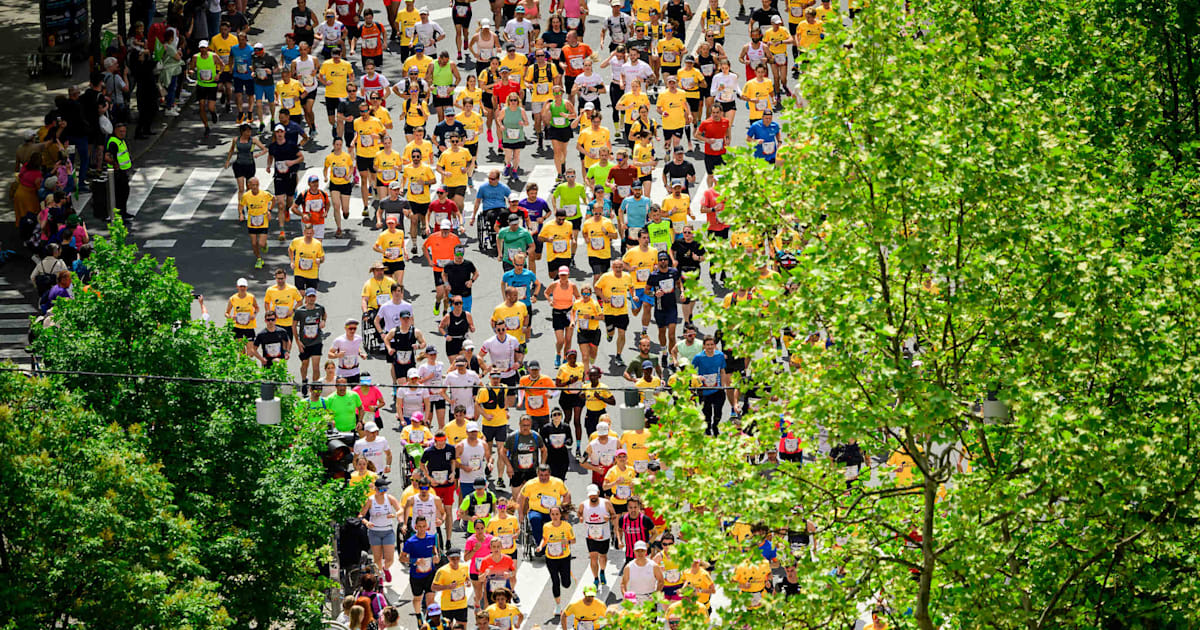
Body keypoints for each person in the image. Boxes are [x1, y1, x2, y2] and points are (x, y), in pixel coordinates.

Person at [518, 464, 570, 550]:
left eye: (546, 475)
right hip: (536, 510)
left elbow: (567, 494)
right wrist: (520, 514)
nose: (543, 477)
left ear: (549, 474)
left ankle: (558, 545)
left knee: (556, 524)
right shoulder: (530, 484)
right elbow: (521, 497)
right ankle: (541, 546)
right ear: (537, 474)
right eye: (541, 475)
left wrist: (565, 510)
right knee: (535, 520)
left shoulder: (557, 482)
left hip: (553, 511)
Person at [360, 478, 402, 585]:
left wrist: (395, 515)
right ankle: (380, 576)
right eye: (382, 490)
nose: (384, 492)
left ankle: (386, 568)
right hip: (375, 532)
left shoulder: (389, 498)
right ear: (377, 490)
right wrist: (366, 523)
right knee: (377, 558)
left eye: (385, 489)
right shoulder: (370, 500)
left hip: (387, 530)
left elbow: (400, 509)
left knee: (390, 559)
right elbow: (361, 515)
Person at [400, 515, 442, 616]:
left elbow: (435, 551)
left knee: (430, 599)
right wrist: (414, 561)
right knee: (417, 599)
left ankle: (429, 621)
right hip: (416, 576)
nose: (422, 529)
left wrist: (436, 556)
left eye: (424, 526)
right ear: (415, 527)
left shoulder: (432, 538)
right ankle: (419, 616)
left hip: (430, 574)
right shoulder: (410, 542)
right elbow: (401, 558)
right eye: (420, 526)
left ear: (427, 526)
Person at [538, 505, 576, 614]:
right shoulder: (546, 526)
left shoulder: (567, 526)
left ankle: (568, 576)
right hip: (551, 558)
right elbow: (544, 539)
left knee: (566, 584)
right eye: (552, 514)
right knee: (555, 580)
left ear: (560, 515)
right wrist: (541, 546)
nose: (555, 517)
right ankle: (558, 605)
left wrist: (567, 542)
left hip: (564, 557)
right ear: (550, 515)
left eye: (557, 514)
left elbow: (573, 540)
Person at [578, 483, 617, 587]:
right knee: (593, 557)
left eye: (594, 495)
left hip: (604, 534)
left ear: (598, 493)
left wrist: (609, 517)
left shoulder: (606, 503)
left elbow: (614, 515)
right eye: (591, 495)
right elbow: (579, 512)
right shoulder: (583, 504)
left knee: (603, 556)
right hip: (590, 534)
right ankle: (595, 578)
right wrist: (581, 517)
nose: (593, 497)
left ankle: (602, 571)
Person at [501, 415, 546, 495]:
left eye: (528, 425)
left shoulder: (536, 436)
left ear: (531, 425)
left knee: (531, 497)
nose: (525, 428)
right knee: (517, 498)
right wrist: (508, 466)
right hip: (516, 471)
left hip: (531, 471)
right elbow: (503, 451)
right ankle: (508, 506)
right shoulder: (513, 437)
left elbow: (544, 450)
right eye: (523, 425)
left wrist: (541, 465)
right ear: (519, 424)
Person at [692, 335, 729, 435]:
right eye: (708, 345)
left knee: (718, 413)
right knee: (707, 414)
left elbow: (722, 370)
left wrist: (723, 386)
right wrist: (697, 377)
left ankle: (715, 425)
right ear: (704, 346)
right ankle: (707, 428)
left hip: (717, 389)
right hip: (704, 391)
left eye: (712, 344)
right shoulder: (698, 357)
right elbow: (690, 371)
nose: (710, 347)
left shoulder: (720, 355)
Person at [431, 549, 470, 625]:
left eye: (457, 558)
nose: (455, 561)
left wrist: (468, 582)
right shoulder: (442, 571)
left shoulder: (464, 567)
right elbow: (433, 587)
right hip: (448, 606)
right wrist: (448, 587)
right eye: (453, 559)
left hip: (462, 604)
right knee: (449, 627)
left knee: (462, 626)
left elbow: (466, 578)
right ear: (448, 558)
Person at [225, 277, 259, 349]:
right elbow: (226, 313)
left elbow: (257, 308)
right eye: (241, 286)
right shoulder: (233, 298)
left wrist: (254, 315)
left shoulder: (251, 297)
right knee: (241, 350)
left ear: (246, 287)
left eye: (244, 286)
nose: (242, 288)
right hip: (237, 327)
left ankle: (247, 358)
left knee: (251, 352)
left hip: (249, 326)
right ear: (237, 287)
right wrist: (231, 317)